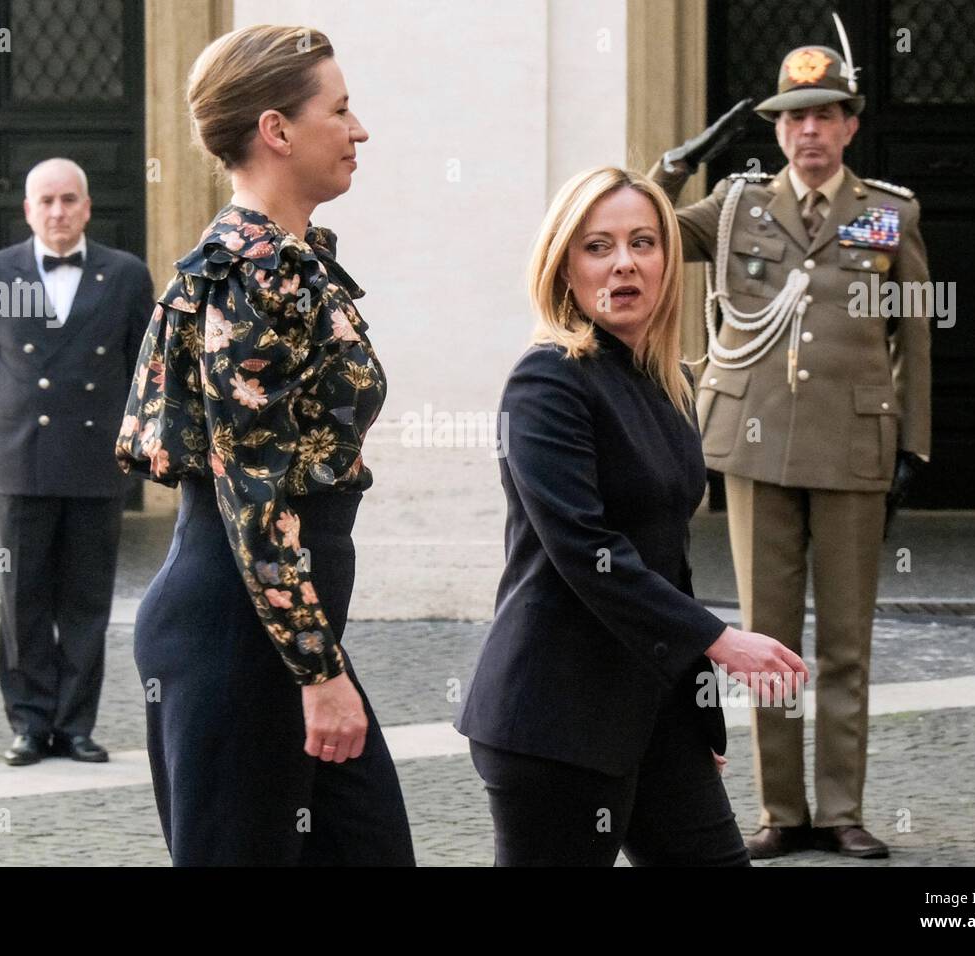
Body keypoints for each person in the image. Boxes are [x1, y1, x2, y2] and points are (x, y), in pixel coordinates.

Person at [115, 25, 414, 866]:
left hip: (284, 631)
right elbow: (254, 501)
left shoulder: (289, 262)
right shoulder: (251, 280)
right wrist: (320, 678)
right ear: (278, 131)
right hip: (237, 642)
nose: (359, 131)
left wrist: (319, 667)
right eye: (343, 110)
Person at [454, 166, 808, 867]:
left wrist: (696, 712)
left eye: (644, 242)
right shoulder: (548, 379)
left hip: (655, 709)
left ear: (668, 262)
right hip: (557, 714)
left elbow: (667, 556)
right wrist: (723, 643)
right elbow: (586, 549)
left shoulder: (666, 377)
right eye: (599, 246)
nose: (624, 263)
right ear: (564, 265)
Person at [650, 28, 932, 859]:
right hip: (755, 446)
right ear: (776, 130)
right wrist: (675, 163)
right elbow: (646, 231)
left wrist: (912, 446)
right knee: (767, 638)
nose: (809, 131)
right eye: (793, 117)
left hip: (851, 449)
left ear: (850, 125)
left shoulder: (889, 212)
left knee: (846, 640)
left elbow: (915, 335)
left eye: (825, 116)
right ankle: (782, 813)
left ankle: (841, 809)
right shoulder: (736, 207)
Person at [0, 157, 155, 767]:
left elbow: (143, 369)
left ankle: (75, 725)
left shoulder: (125, 275)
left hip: (96, 461)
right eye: (47, 201)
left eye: (70, 200)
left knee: (87, 599)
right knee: (22, 596)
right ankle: (28, 722)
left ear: (88, 207)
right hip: (18, 460)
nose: (59, 212)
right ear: (28, 209)